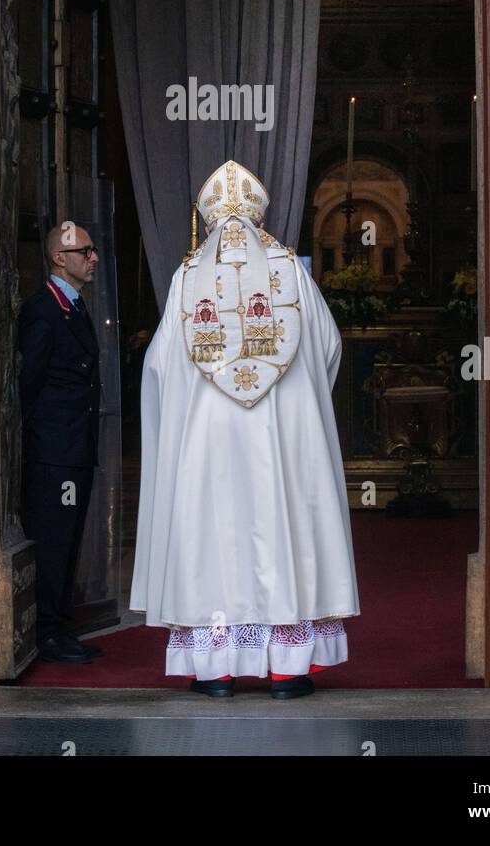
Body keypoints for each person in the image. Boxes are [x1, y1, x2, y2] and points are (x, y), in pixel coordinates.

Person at [130, 160, 359, 699]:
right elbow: (328, 349)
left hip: (207, 444)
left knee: (213, 542)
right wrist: (302, 409)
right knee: (284, 537)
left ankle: (215, 672)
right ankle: (286, 669)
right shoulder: (293, 273)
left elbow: (159, 369)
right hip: (284, 439)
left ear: (209, 224)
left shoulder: (188, 277)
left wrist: (180, 420)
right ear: (260, 222)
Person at [18, 221, 104, 664]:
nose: (93, 258)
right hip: (55, 453)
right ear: (59, 257)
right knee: (52, 541)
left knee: (69, 541)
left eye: (92, 251)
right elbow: (28, 386)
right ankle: (46, 633)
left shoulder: (74, 307)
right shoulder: (43, 310)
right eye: (84, 251)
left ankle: (61, 626)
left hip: (75, 449)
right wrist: (44, 445)